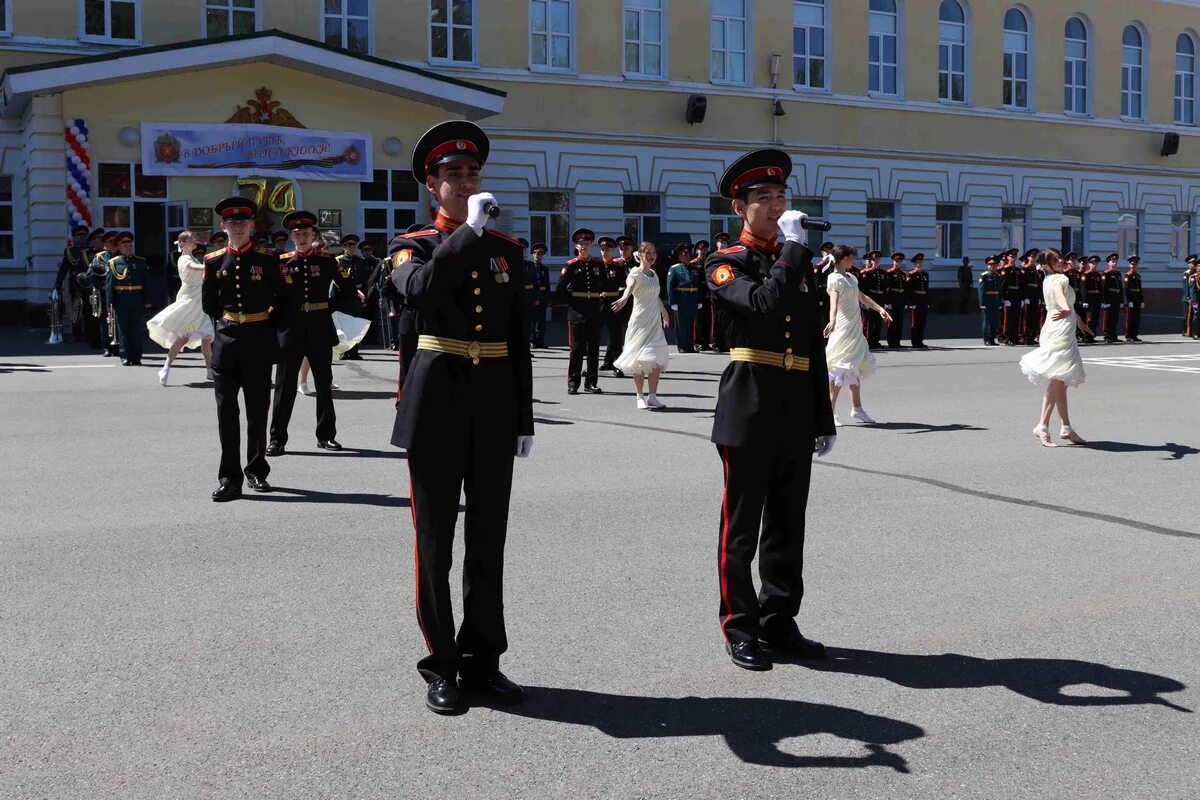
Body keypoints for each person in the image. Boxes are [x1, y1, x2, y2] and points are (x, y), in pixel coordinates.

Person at [388, 120, 534, 715]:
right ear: (432, 186)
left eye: (472, 173)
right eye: (453, 174)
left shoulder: (507, 251)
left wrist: (524, 416)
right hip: (437, 403)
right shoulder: (414, 246)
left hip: (494, 402)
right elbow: (419, 290)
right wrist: (467, 234)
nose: (465, 181)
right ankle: (441, 663)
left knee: (488, 540)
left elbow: (517, 338)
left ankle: (484, 659)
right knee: (435, 541)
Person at [705, 148, 836, 672]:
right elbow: (761, 305)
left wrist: (822, 418)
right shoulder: (725, 263)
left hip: (793, 402)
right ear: (740, 207)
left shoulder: (797, 261)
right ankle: (739, 625)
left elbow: (810, 342)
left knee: (788, 523)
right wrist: (793, 254)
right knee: (741, 525)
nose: (777, 205)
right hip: (750, 399)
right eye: (764, 198)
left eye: (782, 196)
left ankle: (779, 619)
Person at [202, 196, 287, 502]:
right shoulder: (213, 262)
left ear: (251, 224)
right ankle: (229, 477)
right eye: (231, 222)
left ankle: (256, 469)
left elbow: (284, 299)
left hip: (258, 341)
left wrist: (266, 327)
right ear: (223, 226)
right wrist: (229, 327)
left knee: (256, 413)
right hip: (226, 344)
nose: (236, 226)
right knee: (227, 412)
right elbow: (209, 304)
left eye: (242, 221)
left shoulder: (268, 259)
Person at [267, 210, 350, 456]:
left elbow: (346, 289)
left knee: (323, 384)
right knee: (284, 385)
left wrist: (326, 308)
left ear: (313, 233)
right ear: (291, 236)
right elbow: (271, 295)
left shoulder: (327, 261)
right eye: (296, 233)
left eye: (305, 233)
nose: (301, 237)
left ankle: (326, 435)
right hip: (290, 330)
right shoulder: (282, 262)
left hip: (319, 329)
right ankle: (277, 439)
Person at [1019, 248, 1092, 448]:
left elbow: (1064, 302)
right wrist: (1067, 309)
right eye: (1055, 259)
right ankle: (1044, 426)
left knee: (1060, 379)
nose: (1060, 260)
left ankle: (1064, 427)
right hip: (1060, 329)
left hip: (1056, 326)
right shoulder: (1060, 279)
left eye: (1059, 257)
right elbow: (1061, 298)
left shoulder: (1049, 279)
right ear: (1045, 265)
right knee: (1060, 377)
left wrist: (1077, 319)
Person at [824, 244, 892, 426]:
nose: (854, 260)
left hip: (855, 327)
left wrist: (879, 309)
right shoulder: (834, 278)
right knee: (841, 366)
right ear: (845, 258)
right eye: (852, 257)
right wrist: (832, 321)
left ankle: (857, 409)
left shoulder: (850, 277)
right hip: (843, 327)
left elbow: (861, 296)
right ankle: (829, 412)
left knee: (855, 366)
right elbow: (834, 302)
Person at [147, 230, 214, 385]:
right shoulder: (184, 259)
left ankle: (210, 370)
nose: (195, 241)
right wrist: (209, 266)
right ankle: (165, 369)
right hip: (189, 301)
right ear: (183, 244)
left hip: (199, 302)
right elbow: (192, 268)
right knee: (182, 337)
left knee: (206, 337)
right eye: (192, 239)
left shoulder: (193, 257)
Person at [611, 241, 671, 409]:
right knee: (640, 360)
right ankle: (639, 396)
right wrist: (624, 299)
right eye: (648, 253)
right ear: (640, 255)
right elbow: (629, 287)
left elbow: (655, 296)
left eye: (654, 253)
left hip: (654, 322)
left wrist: (664, 313)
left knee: (657, 359)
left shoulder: (654, 274)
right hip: (640, 322)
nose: (652, 256)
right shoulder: (635, 272)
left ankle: (652, 396)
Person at [556, 228, 605, 394]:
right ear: (576, 247)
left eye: (587, 244)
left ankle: (590, 382)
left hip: (593, 312)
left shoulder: (598, 265)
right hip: (577, 312)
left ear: (591, 245)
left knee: (594, 348)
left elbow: (605, 286)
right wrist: (572, 303)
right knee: (576, 349)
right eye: (581, 244)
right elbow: (560, 289)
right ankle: (573, 382)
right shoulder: (570, 266)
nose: (584, 247)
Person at [105, 231, 149, 366]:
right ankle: (125, 355)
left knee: (136, 329)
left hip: (136, 298)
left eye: (130, 245)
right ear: (118, 247)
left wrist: (147, 300)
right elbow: (109, 285)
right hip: (121, 299)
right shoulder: (113, 263)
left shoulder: (141, 262)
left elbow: (147, 282)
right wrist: (110, 302)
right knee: (123, 329)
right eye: (125, 245)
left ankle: (136, 356)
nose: (128, 247)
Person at [336, 234, 371, 359]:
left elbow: (365, 281)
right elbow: (335, 282)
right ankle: (345, 351)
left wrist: (365, 297)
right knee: (344, 325)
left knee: (356, 324)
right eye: (348, 246)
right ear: (344, 247)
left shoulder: (361, 261)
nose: (351, 248)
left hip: (357, 297)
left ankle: (355, 351)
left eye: (353, 246)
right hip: (343, 297)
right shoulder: (339, 261)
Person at [598, 236, 628, 375]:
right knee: (593, 335)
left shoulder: (619, 267)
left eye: (608, 249)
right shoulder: (595, 266)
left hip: (613, 303)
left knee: (615, 336)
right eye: (602, 249)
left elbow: (624, 284)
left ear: (613, 250)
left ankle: (616, 364)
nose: (605, 252)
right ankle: (596, 364)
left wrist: (620, 299)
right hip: (597, 303)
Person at [667, 243, 699, 353]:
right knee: (681, 324)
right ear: (679, 257)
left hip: (692, 298)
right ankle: (681, 346)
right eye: (683, 254)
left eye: (687, 254)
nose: (686, 256)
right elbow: (670, 286)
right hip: (681, 298)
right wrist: (672, 302)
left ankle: (689, 346)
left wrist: (699, 300)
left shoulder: (694, 268)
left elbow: (698, 285)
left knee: (690, 323)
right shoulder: (675, 268)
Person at [859, 251, 885, 348]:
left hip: (880, 299)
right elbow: (863, 288)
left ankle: (876, 341)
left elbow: (885, 288)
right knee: (869, 322)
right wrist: (863, 302)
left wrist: (885, 302)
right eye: (874, 259)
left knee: (878, 322)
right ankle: (868, 342)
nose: (876, 261)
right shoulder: (866, 273)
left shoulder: (883, 273)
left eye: (878, 259)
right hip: (870, 299)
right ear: (871, 260)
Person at [691, 240, 714, 351]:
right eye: (700, 249)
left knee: (707, 319)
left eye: (705, 249)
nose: (702, 251)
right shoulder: (692, 263)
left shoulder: (709, 262)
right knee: (697, 319)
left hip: (708, 293)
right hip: (697, 293)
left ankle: (706, 343)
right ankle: (697, 341)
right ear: (696, 250)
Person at [905, 253, 930, 348]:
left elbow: (926, 289)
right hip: (916, 300)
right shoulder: (911, 274)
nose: (920, 263)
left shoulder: (925, 274)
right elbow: (909, 290)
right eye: (918, 262)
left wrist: (927, 302)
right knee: (915, 322)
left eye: (921, 261)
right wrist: (911, 303)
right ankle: (915, 341)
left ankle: (920, 341)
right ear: (915, 263)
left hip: (923, 300)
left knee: (922, 321)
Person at [1100, 253, 1125, 343]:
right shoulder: (1106, 273)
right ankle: (1107, 336)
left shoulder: (1118, 274)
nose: (1114, 263)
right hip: (1109, 299)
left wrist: (1122, 300)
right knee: (1107, 318)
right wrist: (1105, 301)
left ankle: (1113, 335)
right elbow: (1103, 288)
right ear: (1108, 263)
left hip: (1116, 299)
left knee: (1115, 318)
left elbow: (1120, 288)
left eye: (1115, 262)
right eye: (1112, 262)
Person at [978, 256, 1001, 346]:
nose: (992, 266)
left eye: (994, 264)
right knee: (987, 321)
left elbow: (999, 290)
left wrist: (999, 302)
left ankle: (992, 339)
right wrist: (982, 303)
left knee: (994, 321)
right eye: (990, 264)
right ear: (987, 265)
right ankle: (987, 339)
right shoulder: (984, 276)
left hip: (995, 300)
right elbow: (981, 290)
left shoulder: (997, 276)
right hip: (987, 301)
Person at [1081, 256, 1102, 343]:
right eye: (1092, 263)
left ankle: (1092, 335)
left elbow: (1100, 288)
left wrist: (1101, 300)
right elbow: (1084, 288)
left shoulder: (1098, 275)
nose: (1094, 265)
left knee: (1095, 318)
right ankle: (1086, 336)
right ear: (1089, 264)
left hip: (1096, 298)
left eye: (1096, 263)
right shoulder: (1086, 274)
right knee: (1088, 319)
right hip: (1089, 298)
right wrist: (1085, 301)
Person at [1124, 256, 1144, 342]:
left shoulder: (1138, 276)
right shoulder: (1127, 275)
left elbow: (1140, 289)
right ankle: (1128, 335)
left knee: (1137, 318)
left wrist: (1142, 300)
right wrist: (1128, 301)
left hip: (1137, 299)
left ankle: (1134, 335)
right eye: (1132, 264)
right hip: (1131, 299)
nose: (1134, 266)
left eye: (1135, 264)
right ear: (1129, 265)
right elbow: (1126, 289)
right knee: (1130, 319)